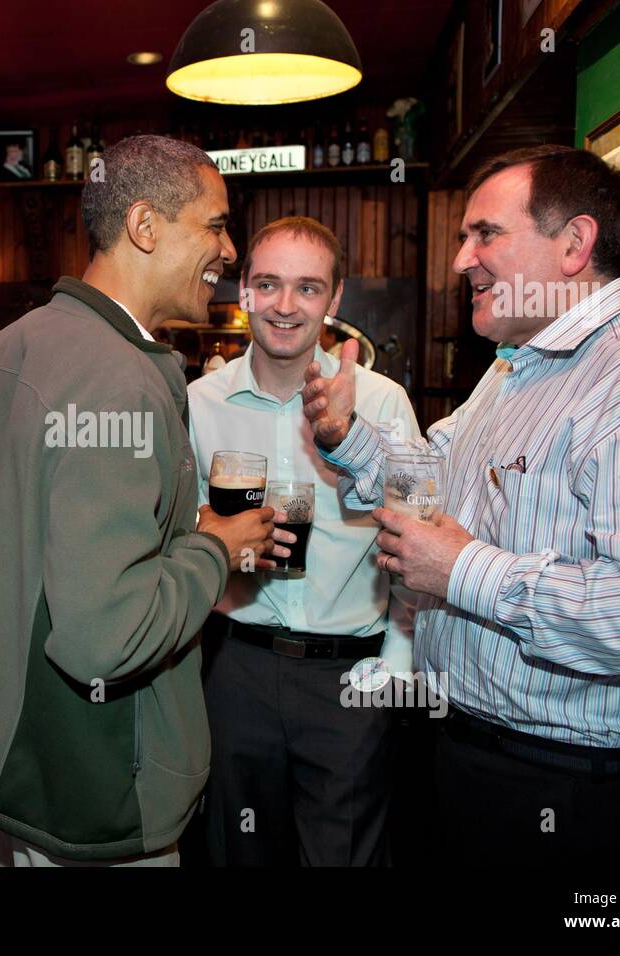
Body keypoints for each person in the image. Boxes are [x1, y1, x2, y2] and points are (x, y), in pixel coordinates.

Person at [303, 144, 620, 865]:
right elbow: (437, 470)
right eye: (461, 237)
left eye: (485, 234)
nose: (460, 261)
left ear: (574, 244)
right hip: (475, 757)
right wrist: (347, 436)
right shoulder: (520, 362)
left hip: (576, 795)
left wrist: (465, 571)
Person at [0, 134, 285, 867]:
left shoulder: (1, 350)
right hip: (95, 787)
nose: (231, 251)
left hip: (5, 769)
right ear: (145, 227)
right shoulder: (119, 379)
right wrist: (215, 547)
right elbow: (105, 639)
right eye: (215, 224)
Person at [189, 216, 420, 866]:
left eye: (307, 287)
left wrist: (393, 681)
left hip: (350, 677)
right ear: (244, 292)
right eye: (268, 284)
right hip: (236, 670)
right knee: (236, 854)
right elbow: (172, 534)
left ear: (335, 298)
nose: (285, 306)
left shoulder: (385, 402)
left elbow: (419, 541)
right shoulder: (199, 403)